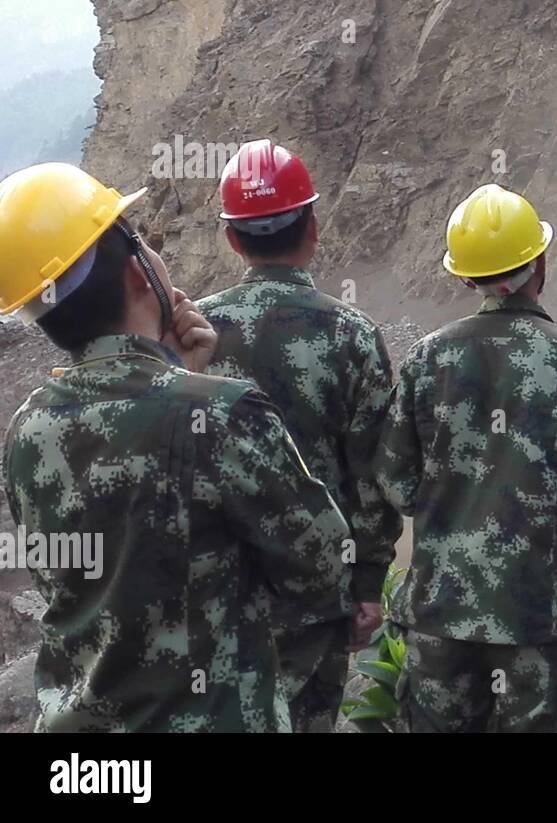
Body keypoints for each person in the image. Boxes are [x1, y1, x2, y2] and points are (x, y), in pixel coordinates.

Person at [0, 162, 353, 732]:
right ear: (140, 272)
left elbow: (102, 579)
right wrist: (189, 386)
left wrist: (177, 374)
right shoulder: (221, 412)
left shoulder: (26, 428)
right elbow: (322, 562)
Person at [376, 183, 557, 732]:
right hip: (540, 618)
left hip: (441, 616)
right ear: (541, 263)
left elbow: (394, 479)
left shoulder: (426, 358)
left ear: (464, 277)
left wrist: (454, 504)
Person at [197, 140, 400, 732]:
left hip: (215, 603)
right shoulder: (353, 336)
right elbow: (374, 477)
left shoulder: (190, 337)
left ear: (232, 239)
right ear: (312, 227)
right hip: (319, 597)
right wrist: (367, 584)